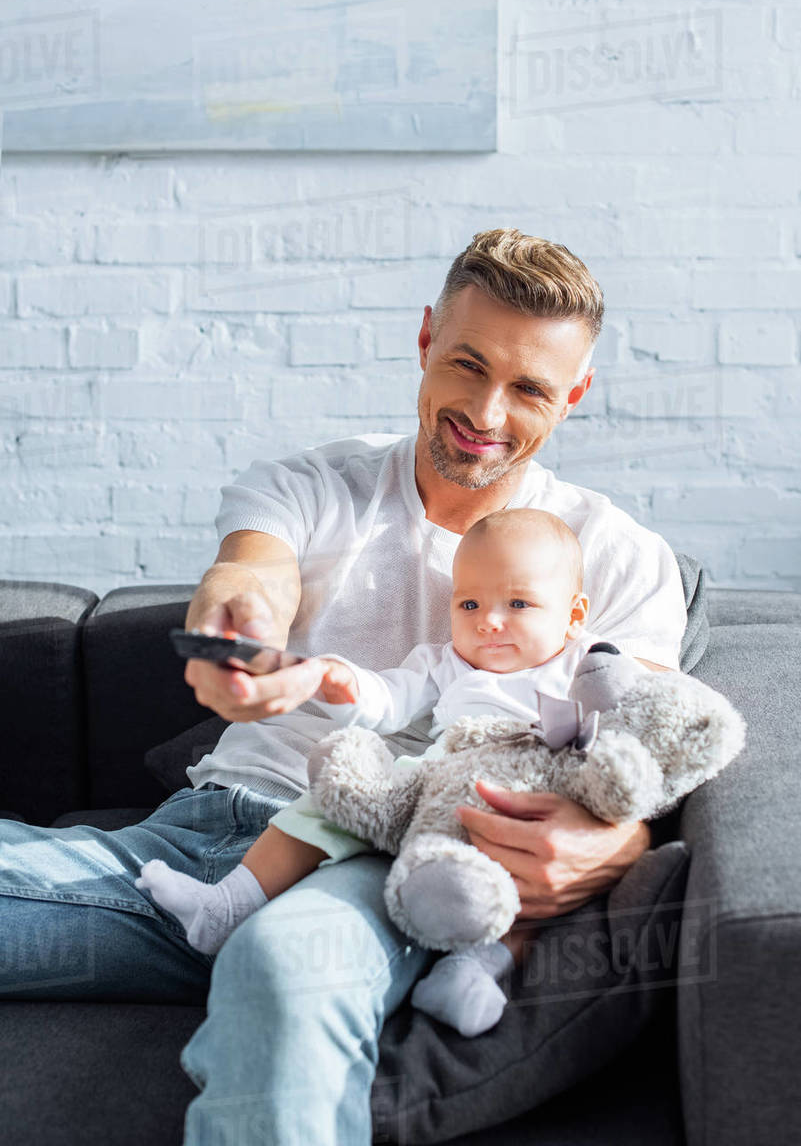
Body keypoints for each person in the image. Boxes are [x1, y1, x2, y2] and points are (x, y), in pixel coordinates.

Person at [0, 229, 686, 1145]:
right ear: (423, 341)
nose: (485, 410)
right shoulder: (315, 484)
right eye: (465, 364)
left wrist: (619, 839)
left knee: (285, 973)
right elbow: (252, 576)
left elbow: (642, 743)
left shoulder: (620, 557)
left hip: (389, 860)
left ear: (575, 394)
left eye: (527, 388)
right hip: (205, 836)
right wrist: (232, 637)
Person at [136, 507, 632, 1038]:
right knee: (331, 798)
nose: (489, 621)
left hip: (529, 793)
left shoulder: (584, 663)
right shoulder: (448, 663)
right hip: (440, 780)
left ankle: (473, 973)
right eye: (470, 603)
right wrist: (338, 680)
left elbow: (622, 722)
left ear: (574, 613)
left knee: (525, 884)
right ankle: (228, 904)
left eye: (518, 603)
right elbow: (389, 698)